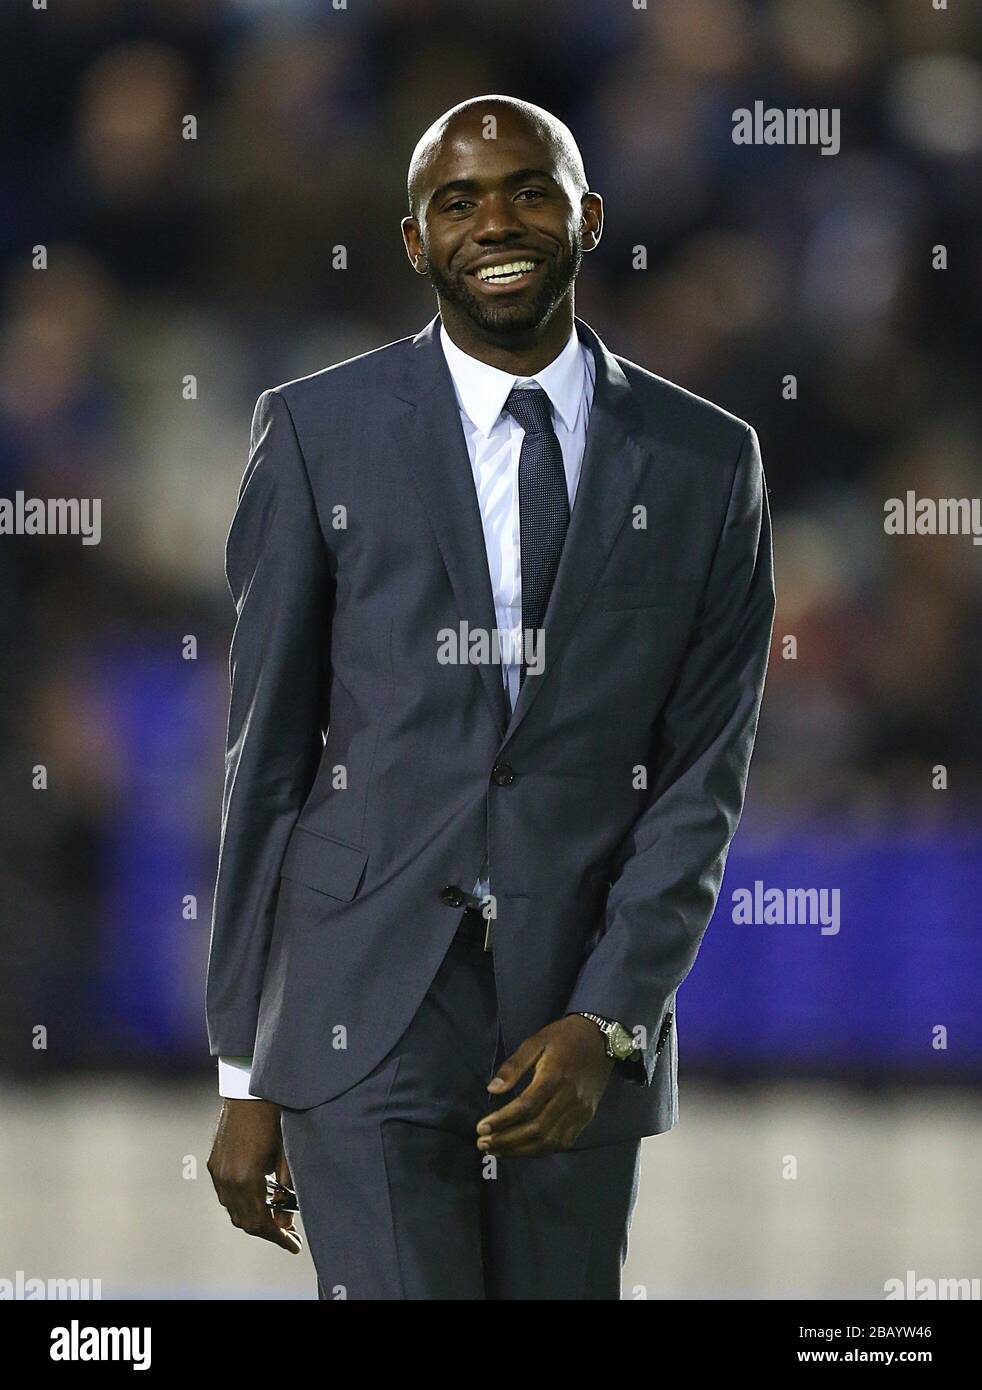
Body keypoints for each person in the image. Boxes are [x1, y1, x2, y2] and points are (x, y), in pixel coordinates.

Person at [206, 95, 775, 1300]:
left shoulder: (707, 460)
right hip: (361, 1007)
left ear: (589, 218)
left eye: (528, 189)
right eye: (456, 201)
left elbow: (700, 777)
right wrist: (242, 1067)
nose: (494, 221)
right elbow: (264, 765)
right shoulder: (317, 433)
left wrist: (611, 1020)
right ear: (414, 241)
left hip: (571, 1021)